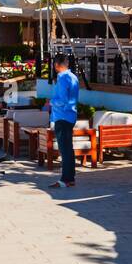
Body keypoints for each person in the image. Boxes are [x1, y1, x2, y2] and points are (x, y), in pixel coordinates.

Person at [47, 53, 79, 189]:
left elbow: (62, 100)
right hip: (70, 116)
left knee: (64, 149)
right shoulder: (73, 77)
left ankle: (65, 179)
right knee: (68, 149)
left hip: (62, 117)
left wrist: (51, 102)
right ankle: (70, 177)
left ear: (56, 65)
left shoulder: (62, 78)